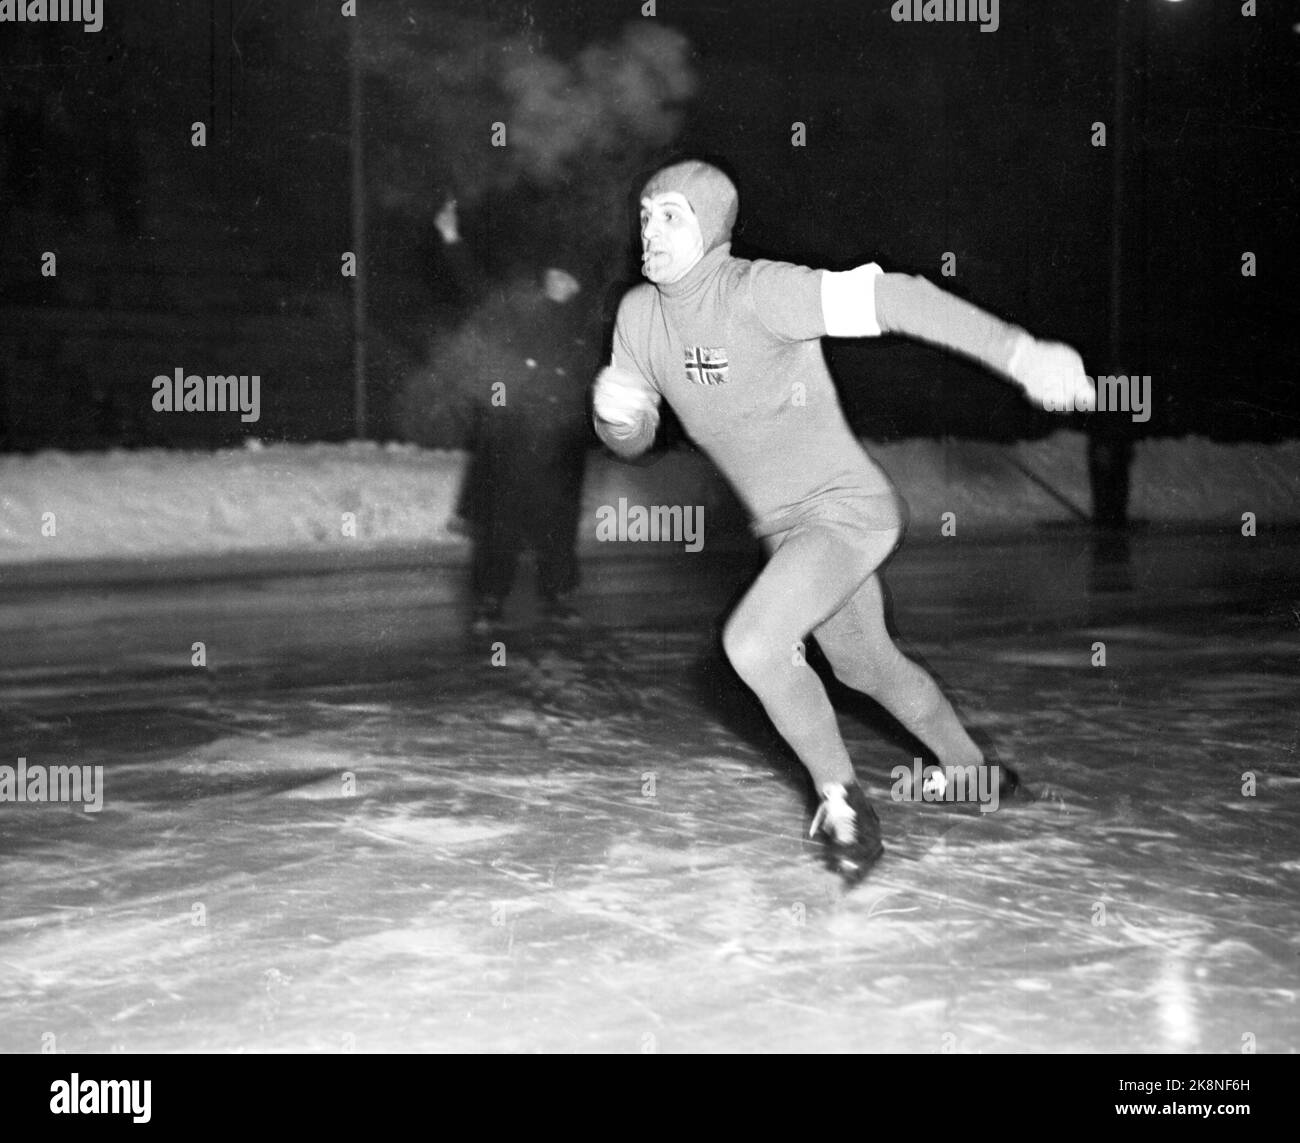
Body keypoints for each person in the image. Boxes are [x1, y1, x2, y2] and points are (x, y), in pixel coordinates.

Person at [592, 160, 1095, 883]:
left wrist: (1021, 353)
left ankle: (843, 800)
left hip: (846, 510)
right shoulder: (639, 316)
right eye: (645, 214)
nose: (651, 229)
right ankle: (973, 772)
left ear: (710, 226)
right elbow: (635, 438)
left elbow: (897, 296)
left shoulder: (762, 293)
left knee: (756, 642)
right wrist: (619, 419)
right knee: (863, 664)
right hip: (788, 531)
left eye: (672, 214)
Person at [435, 199, 594, 631]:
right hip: (512, 436)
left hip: (559, 444)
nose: (561, 283)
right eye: (555, 274)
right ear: (545, 278)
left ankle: (560, 596)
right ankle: (489, 601)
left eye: (569, 278)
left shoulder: (585, 327)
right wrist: (452, 239)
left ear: (577, 285)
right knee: (499, 524)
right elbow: (476, 291)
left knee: (557, 528)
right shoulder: (518, 315)